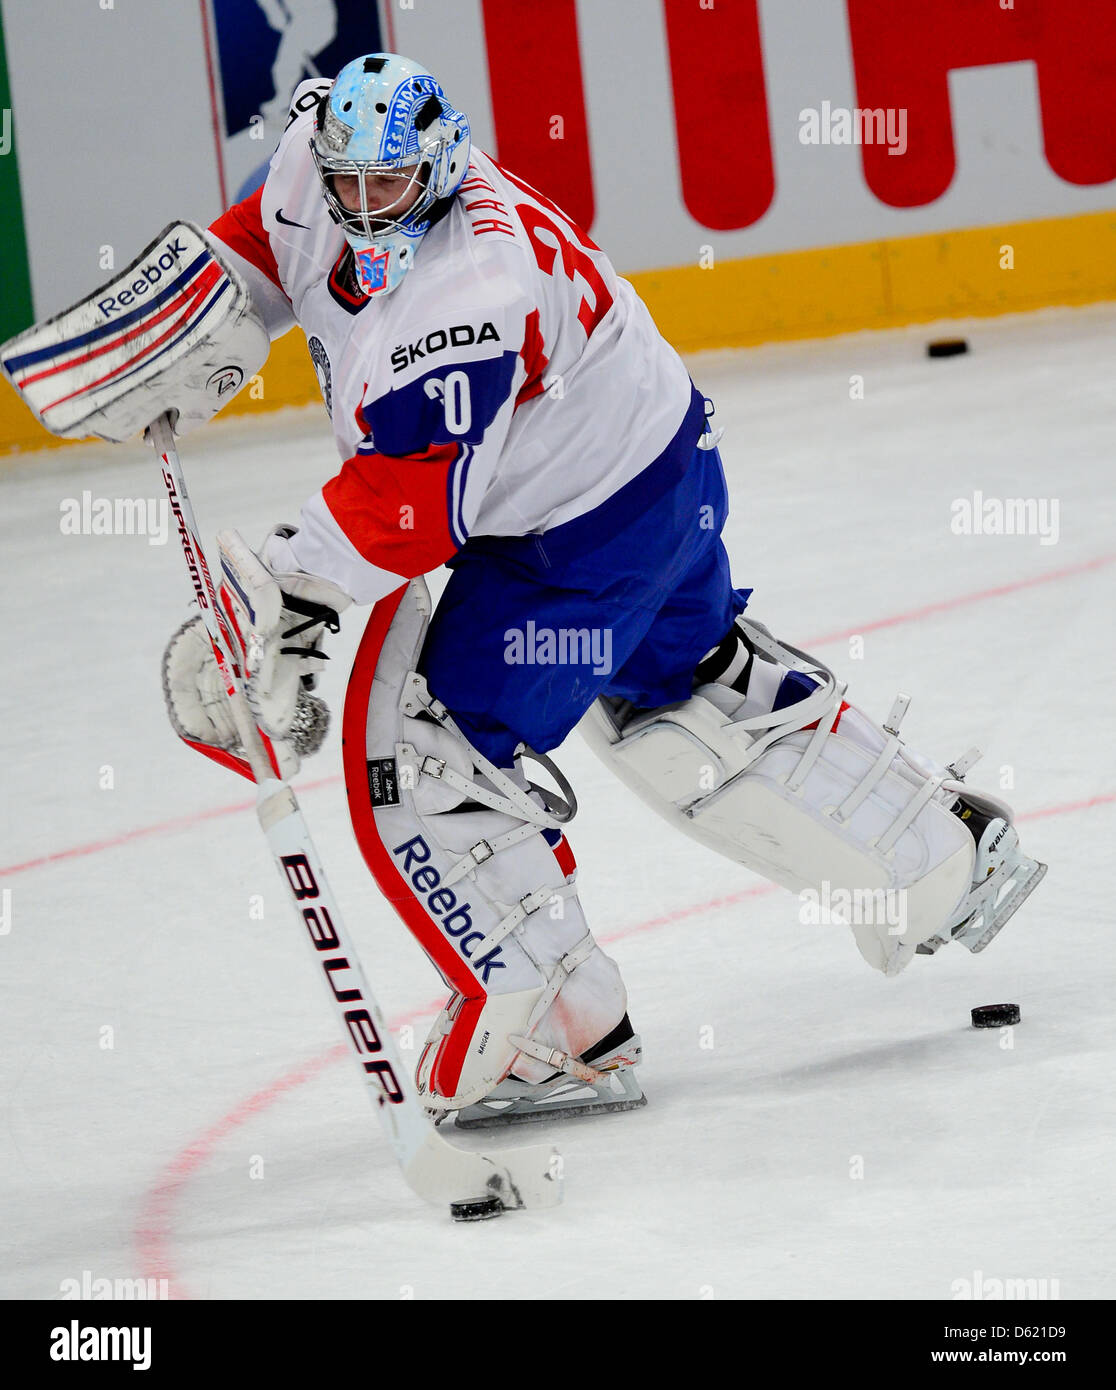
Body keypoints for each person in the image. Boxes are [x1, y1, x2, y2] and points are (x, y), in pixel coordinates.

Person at [162, 53, 1046, 1129]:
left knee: (431, 752)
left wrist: (282, 598)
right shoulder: (323, 163)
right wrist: (185, 328)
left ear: (438, 166)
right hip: (657, 466)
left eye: (386, 187)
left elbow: (412, 504)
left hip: (579, 540)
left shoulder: (469, 289)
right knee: (691, 689)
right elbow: (264, 240)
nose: (360, 207)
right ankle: (943, 851)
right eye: (347, 184)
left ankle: (555, 1033)